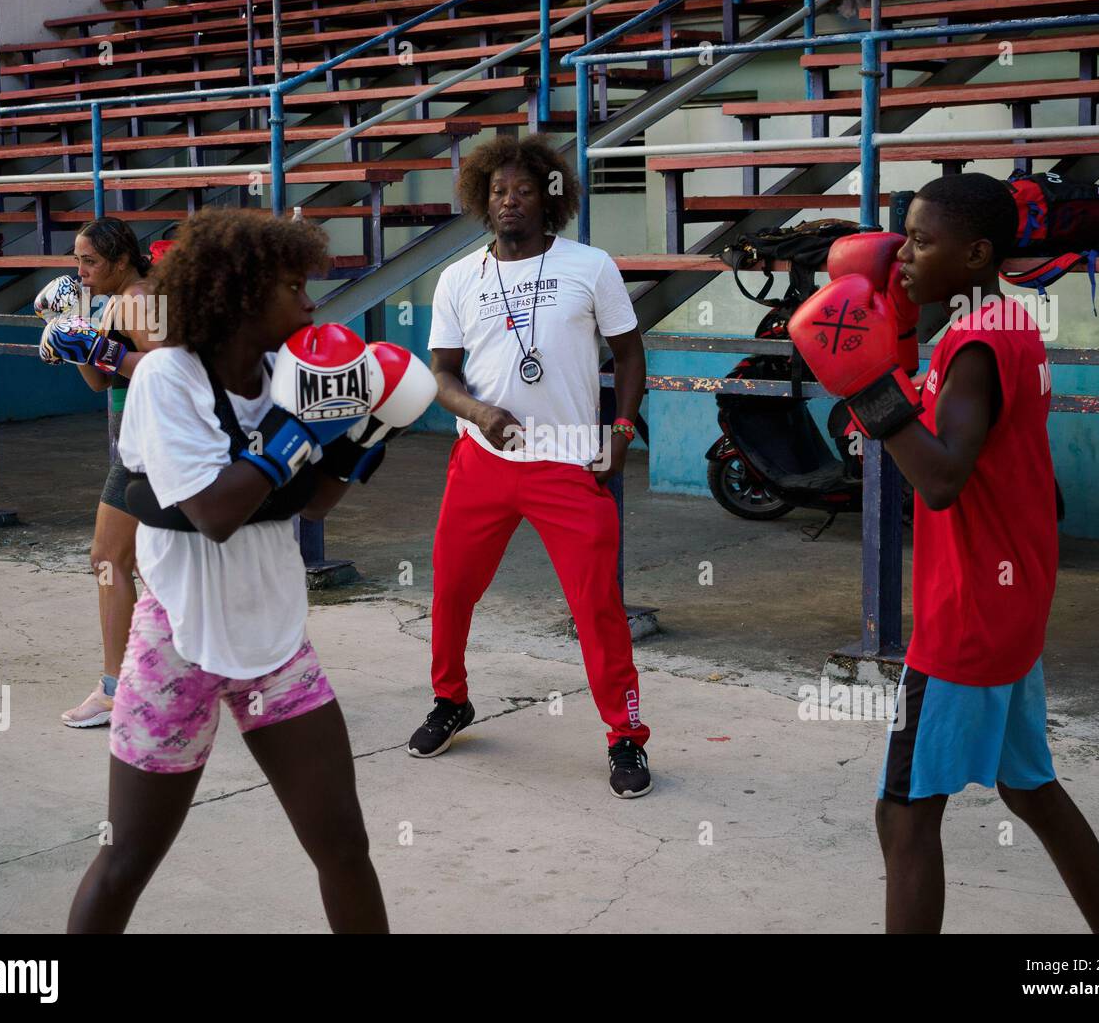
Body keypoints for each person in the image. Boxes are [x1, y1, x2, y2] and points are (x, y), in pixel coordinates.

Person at [789, 173, 1099, 933]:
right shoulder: (1006, 322)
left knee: (903, 816)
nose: (902, 255)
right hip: (1008, 600)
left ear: (976, 252)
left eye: (920, 241)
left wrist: (867, 387)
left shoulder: (977, 344)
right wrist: (899, 350)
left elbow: (941, 479)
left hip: (966, 615)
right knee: (1030, 789)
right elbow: (944, 429)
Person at [67, 208, 413, 933]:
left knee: (345, 845)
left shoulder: (291, 373)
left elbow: (311, 507)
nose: (312, 303)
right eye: (294, 286)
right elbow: (212, 513)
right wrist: (300, 433)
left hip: (274, 643)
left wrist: (361, 440)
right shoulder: (168, 377)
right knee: (127, 856)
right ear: (242, 293)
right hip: (177, 643)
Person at [405, 134, 654, 799]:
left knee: (597, 607)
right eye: (497, 191)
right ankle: (450, 700)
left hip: (569, 461)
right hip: (481, 460)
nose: (509, 200)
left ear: (551, 197)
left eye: (522, 189)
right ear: (481, 200)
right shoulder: (460, 277)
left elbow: (630, 356)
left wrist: (621, 433)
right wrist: (480, 414)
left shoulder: (590, 266)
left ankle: (625, 737)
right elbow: (442, 375)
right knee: (452, 590)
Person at [38, 217, 162, 728]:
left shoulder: (142, 297)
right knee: (144, 564)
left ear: (120, 260)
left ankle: (119, 690)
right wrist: (73, 334)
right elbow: (97, 381)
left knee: (109, 557)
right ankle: (169, 679)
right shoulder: (113, 300)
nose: (80, 270)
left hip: (155, 445)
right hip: (136, 441)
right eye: (76, 260)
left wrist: (97, 346)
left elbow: (168, 368)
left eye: (89, 260)